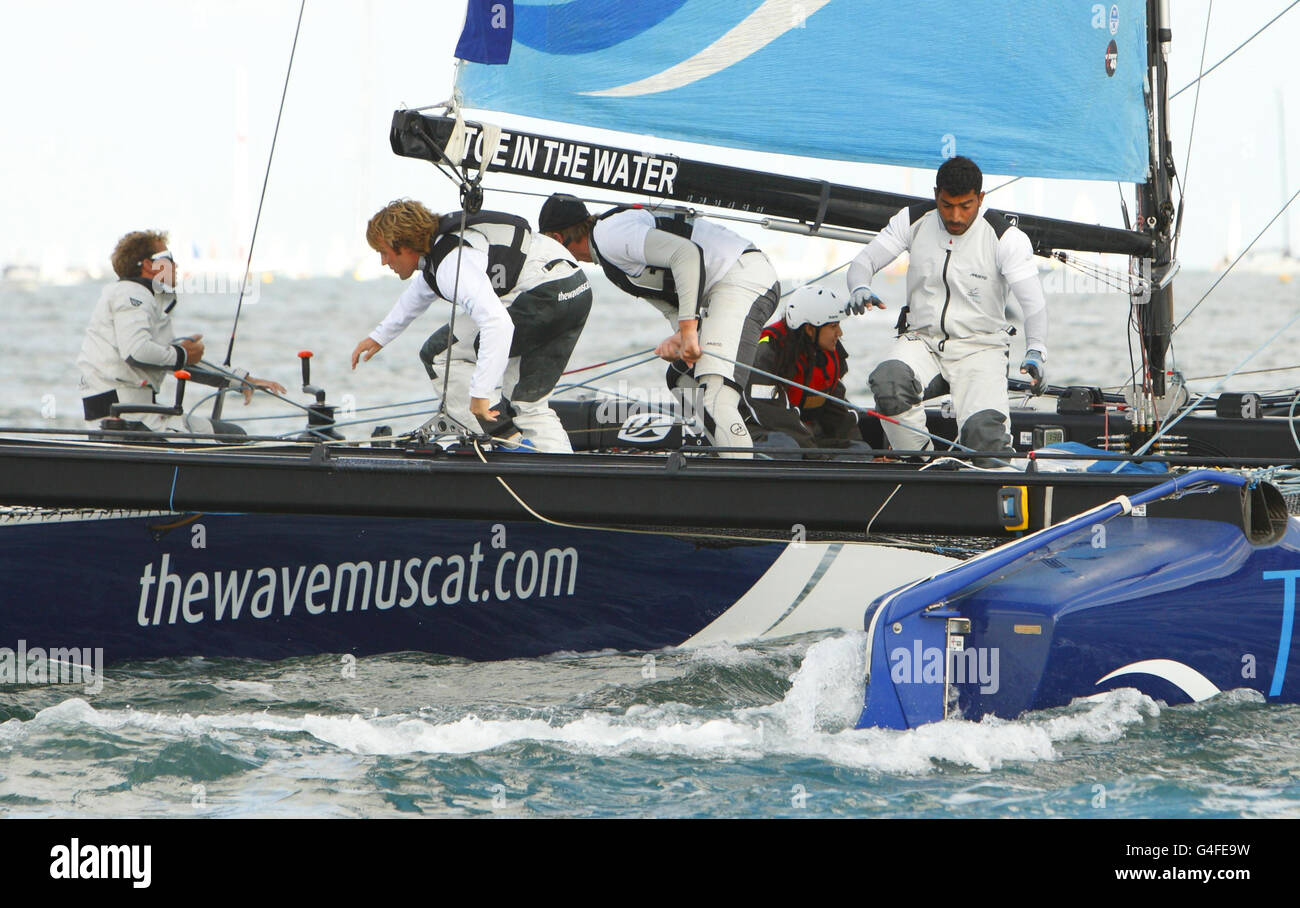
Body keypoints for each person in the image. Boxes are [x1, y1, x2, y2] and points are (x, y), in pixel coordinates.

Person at [538, 194, 779, 459]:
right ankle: (726, 454)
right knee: (681, 377)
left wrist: (688, 331)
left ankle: (745, 484)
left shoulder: (610, 235)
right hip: (724, 286)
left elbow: (687, 254)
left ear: (558, 240)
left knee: (715, 397)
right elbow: (671, 301)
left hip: (742, 276)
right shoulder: (608, 256)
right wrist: (681, 333)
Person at [846, 155, 1048, 457]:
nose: (955, 216)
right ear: (935, 195)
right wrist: (860, 286)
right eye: (946, 205)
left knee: (985, 440)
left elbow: (1033, 304)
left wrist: (1036, 349)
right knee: (888, 381)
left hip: (980, 348)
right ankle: (922, 463)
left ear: (980, 199)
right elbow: (864, 262)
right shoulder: (912, 219)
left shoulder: (1005, 237)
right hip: (922, 341)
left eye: (965, 206)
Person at [351, 200, 591, 453]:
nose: (383, 261)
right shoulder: (444, 249)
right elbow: (419, 294)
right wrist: (379, 337)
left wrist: (480, 394)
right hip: (576, 291)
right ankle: (563, 471)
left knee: (439, 355)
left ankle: (500, 442)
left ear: (406, 246)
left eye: (384, 251)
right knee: (528, 403)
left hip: (542, 294)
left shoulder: (452, 264)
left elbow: (497, 324)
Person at [77, 230, 285, 432]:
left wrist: (240, 380)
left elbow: (170, 358)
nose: (175, 265)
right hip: (124, 417)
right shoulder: (132, 294)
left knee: (232, 433)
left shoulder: (144, 299)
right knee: (232, 436)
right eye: (168, 258)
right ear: (149, 265)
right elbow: (137, 351)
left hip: (135, 413)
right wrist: (183, 354)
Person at [745, 285, 863, 452]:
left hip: (805, 435)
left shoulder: (824, 355)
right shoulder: (767, 354)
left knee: (858, 449)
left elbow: (836, 412)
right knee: (786, 448)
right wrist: (816, 455)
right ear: (809, 329)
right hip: (757, 430)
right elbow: (772, 415)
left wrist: (865, 451)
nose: (840, 332)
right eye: (833, 326)